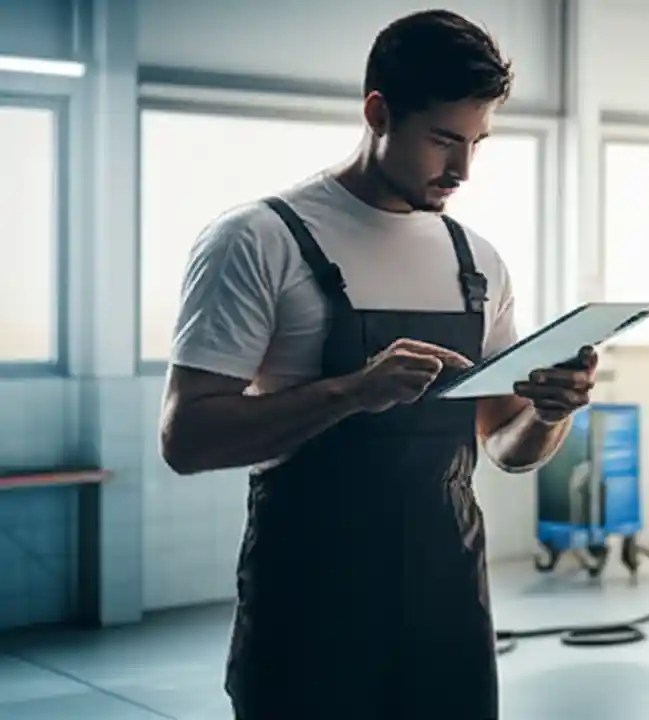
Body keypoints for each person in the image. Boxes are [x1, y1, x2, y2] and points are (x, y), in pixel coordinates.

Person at [157, 10, 595, 719]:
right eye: (443, 140)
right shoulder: (259, 240)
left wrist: (549, 414)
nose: (462, 169)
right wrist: (350, 393)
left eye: (478, 142)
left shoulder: (477, 262)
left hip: (449, 600)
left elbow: (506, 447)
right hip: (307, 608)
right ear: (377, 112)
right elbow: (186, 439)